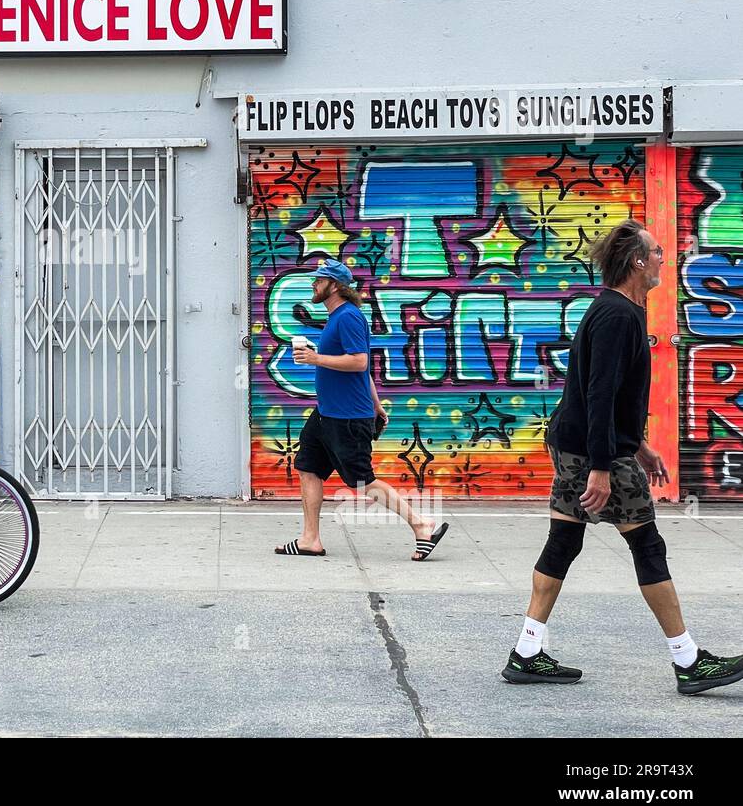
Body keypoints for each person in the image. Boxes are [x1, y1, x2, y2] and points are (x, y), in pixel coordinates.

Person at [502, 219, 743, 694]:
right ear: (637, 261)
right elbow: (598, 395)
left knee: (563, 544)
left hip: (585, 443)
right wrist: (603, 466)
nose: (661, 260)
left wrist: (639, 445)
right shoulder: (617, 316)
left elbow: (610, 398)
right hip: (592, 451)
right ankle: (689, 661)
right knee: (647, 546)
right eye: (655, 253)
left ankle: (526, 652)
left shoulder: (621, 310)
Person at [275, 257, 449, 562]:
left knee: (362, 481)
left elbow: (359, 361)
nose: (313, 284)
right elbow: (363, 371)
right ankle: (310, 539)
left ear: (336, 286)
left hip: (346, 417)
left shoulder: (348, 317)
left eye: (319, 279)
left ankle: (422, 525)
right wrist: (378, 404)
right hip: (327, 413)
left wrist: (315, 359)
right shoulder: (337, 317)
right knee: (308, 467)